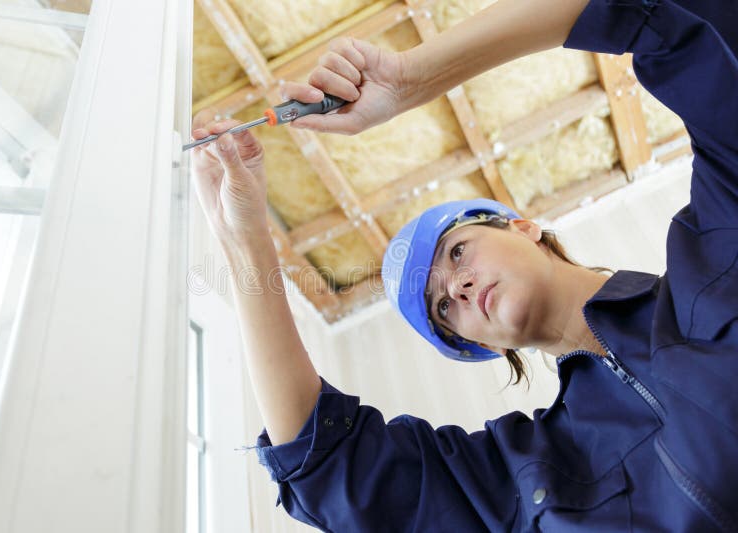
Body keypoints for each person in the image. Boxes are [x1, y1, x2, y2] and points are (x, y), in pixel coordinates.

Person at [191, 0, 738, 530]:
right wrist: (245, 243)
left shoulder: (716, 259)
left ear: (522, 226)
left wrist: (415, 77)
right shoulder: (517, 480)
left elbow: (687, 22)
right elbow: (330, 468)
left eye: (457, 252)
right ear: (482, 347)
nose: (458, 285)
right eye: (444, 308)